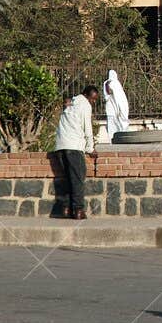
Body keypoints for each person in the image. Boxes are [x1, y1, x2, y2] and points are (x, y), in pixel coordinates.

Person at [53, 85, 99, 220]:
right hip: (74, 146)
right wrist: (90, 148)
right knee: (78, 178)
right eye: (92, 99)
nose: (93, 102)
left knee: (69, 179)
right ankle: (78, 210)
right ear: (86, 95)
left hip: (61, 145)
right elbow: (87, 128)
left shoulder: (71, 103)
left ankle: (66, 209)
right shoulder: (85, 105)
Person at [102, 68, 131, 140]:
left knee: (119, 126)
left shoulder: (115, 83)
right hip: (111, 110)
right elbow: (107, 94)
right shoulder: (107, 83)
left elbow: (120, 98)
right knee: (112, 128)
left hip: (118, 110)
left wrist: (121, 109)